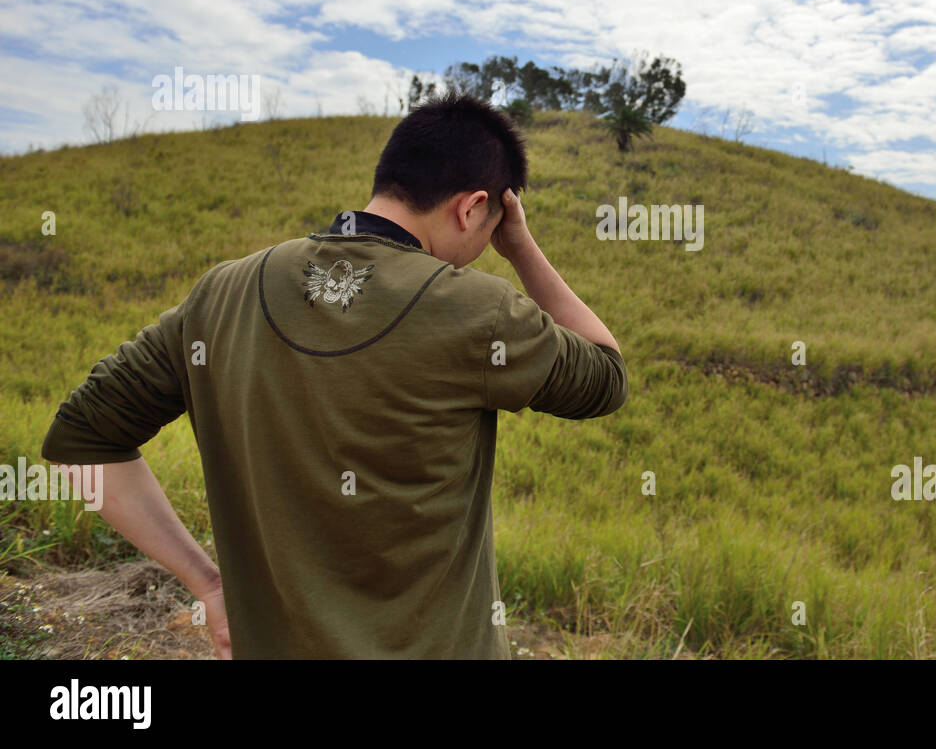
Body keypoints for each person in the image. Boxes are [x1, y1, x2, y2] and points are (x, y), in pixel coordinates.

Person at [41, 89, 628, 658]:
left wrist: (209, 586)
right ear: (474, 208)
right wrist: (521, 247)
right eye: (489, 227)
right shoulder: (480, 311)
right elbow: (605, 375)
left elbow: (81, 439)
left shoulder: (221, 293)